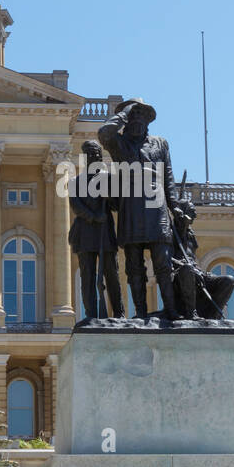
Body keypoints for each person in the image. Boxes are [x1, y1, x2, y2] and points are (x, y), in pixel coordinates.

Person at [98, 98, 180, 320]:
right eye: (132, 116)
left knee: (163, 261)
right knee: (134, 266)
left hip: (157, 204)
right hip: (131, 204)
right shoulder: (119, 143)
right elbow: (104, 132)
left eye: (140, 115)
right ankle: (141, 313)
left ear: (147, 119)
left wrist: (175, 206)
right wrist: (123, 113)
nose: (136, 120)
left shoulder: (160, 143)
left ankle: (171, 310)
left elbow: (168, 178)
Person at [68, 139, 123, 319]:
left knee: (111, 274)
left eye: (97, 154)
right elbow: (76, 206)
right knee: (88, 276)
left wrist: (111, 195)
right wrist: (93, 216)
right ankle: (91, 314)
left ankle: (119, 312)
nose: (94, 157)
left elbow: (116, 205)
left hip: (105, 233)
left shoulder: (108, 179)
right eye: (90, 154)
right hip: (85, 233)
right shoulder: (75, 181)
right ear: (85, 158)